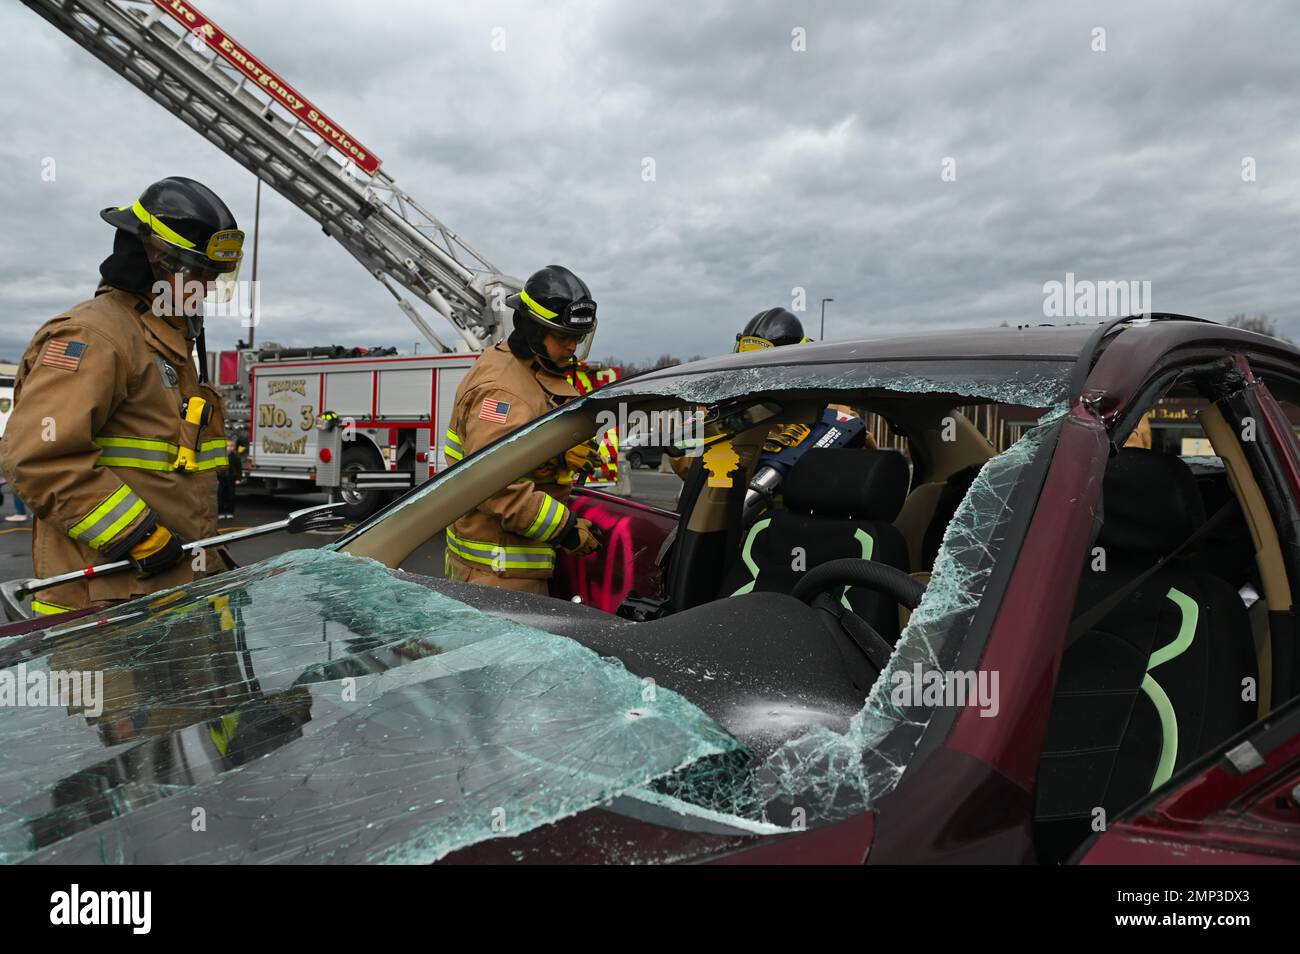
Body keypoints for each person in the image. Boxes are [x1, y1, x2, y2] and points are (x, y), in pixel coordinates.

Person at [0, 177, 243, 615]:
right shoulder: (94, 336)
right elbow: (38, 457)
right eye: (197, 275)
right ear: (152, 256)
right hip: (105, 612)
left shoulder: (165, 340)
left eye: (213, 279)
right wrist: (139, 534)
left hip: (162, 600)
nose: (204, 290)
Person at [443, 265, 603, 595]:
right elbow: (493, 484)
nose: (572, 347)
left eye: (578, 338)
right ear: (531, 328)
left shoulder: (527, 364)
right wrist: (566, 529)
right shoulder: (503, 391)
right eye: (563, 337)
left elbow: (515, 450)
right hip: (498, 574)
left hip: (503, 571)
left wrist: (557, 453)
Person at [218, 437, 242, 520]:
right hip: (221, 479)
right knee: (220, 495)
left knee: (231, 496)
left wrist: (238, 479)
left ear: (234, 447)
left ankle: (229, 512)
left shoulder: (235, 457)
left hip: (231, 479)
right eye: (227, 446)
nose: (229, 447)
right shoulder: (220, 456)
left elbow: (239, 468)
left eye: (232, 446)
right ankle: (220, 512)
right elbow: (217, 468)